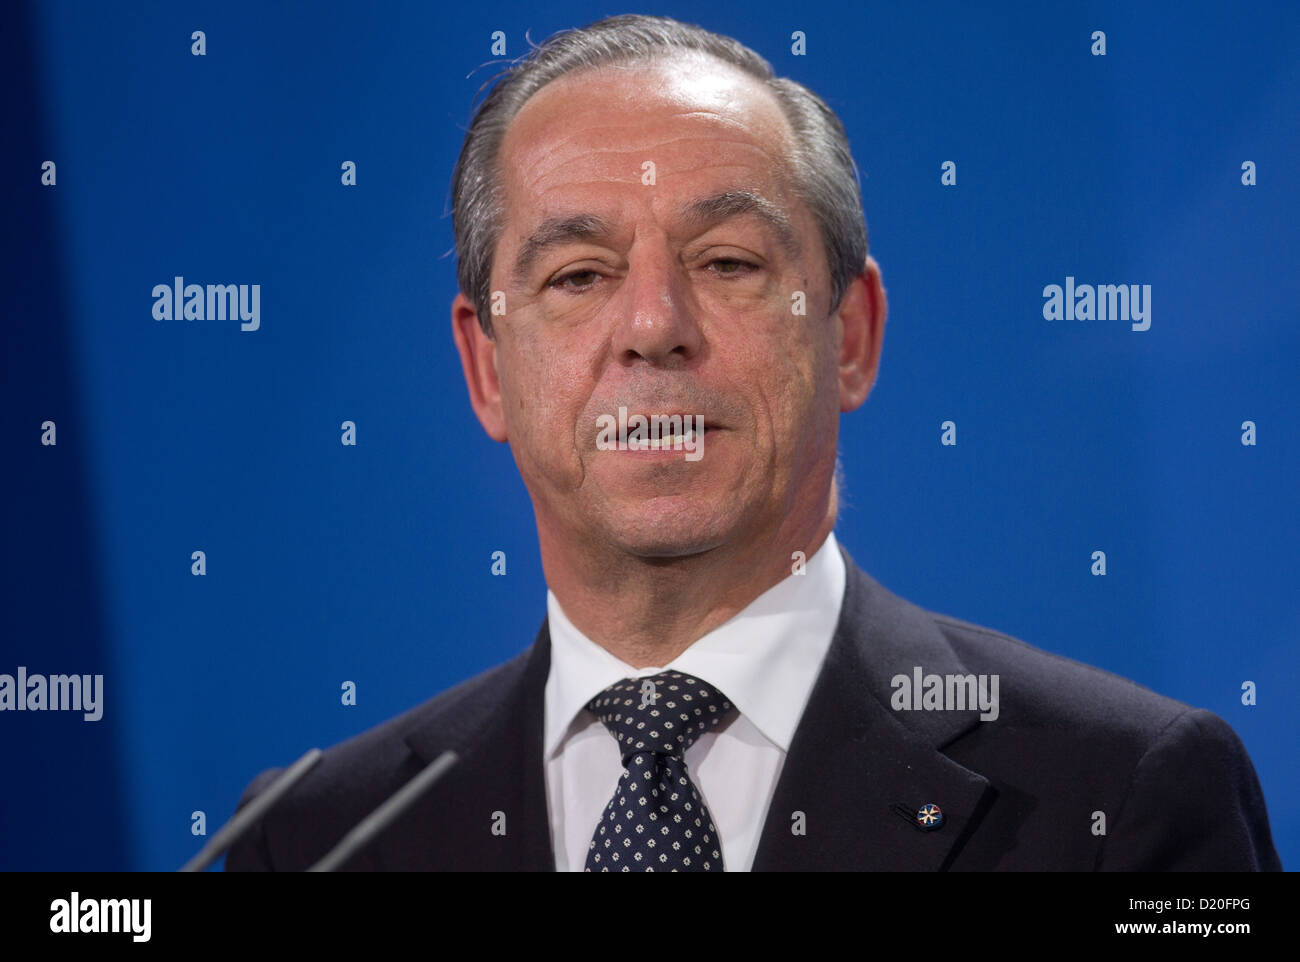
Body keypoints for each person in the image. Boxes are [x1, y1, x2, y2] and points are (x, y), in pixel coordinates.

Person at [226, 14, 1280, 872]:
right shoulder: (316, 837)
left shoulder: (1122, 794)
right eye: (578, 275)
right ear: (488, 367)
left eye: (727, 262)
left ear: (851, 334)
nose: (652, 325)